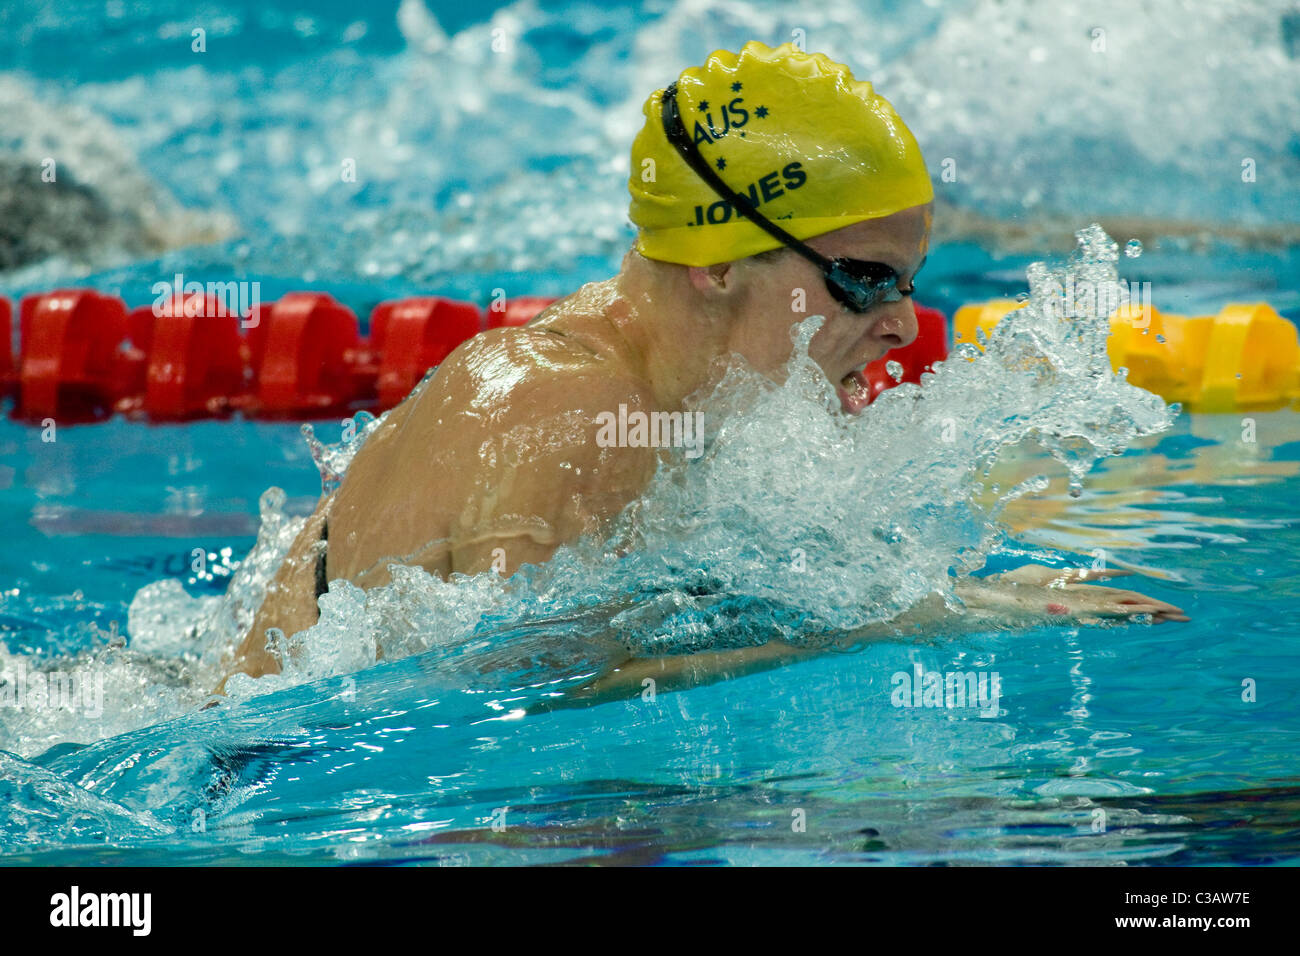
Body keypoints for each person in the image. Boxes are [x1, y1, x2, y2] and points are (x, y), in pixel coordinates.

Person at [213, 42, 1186, 696]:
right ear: (717, 262)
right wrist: (921, 621)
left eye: (906, 285)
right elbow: (530, 684)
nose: (899, 326)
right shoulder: (577, 405)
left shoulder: (683, 397)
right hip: (265, 788)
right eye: (861, 280)